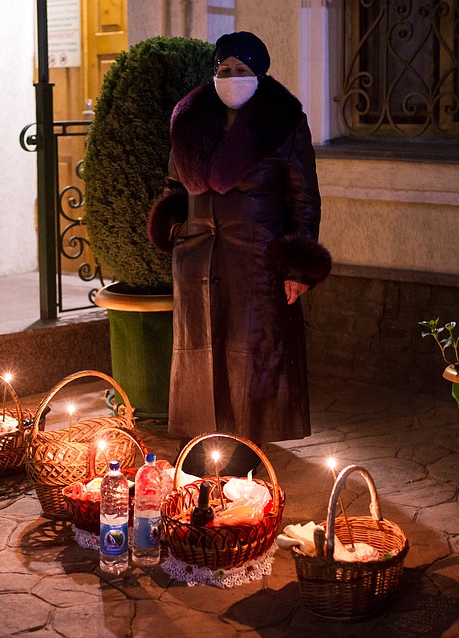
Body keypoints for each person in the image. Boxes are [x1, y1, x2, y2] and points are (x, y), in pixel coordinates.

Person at [147, 31, 331, 475]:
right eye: (223, 70)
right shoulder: (189, 120)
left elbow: (303, 196)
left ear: (260, 74)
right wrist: (174, 225)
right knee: (199, 347)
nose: (232, 78)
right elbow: (175, 185)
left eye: (242, 70)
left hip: (257, 256)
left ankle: (248, 440)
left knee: (252, 350)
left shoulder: (283, 121)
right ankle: (199, 436)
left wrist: (297, 266)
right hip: (198, 256)